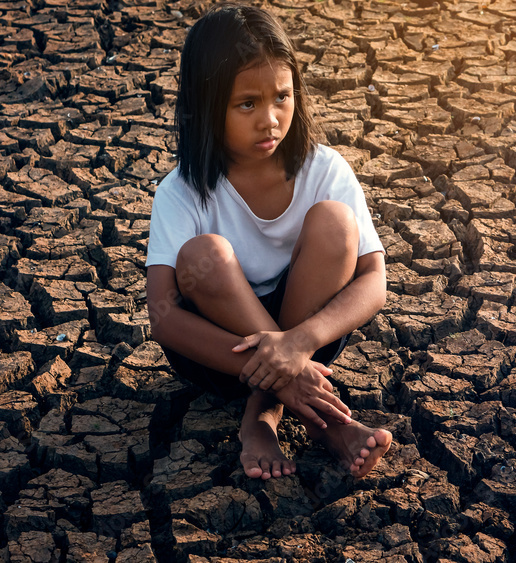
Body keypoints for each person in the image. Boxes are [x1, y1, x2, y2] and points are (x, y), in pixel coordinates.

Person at [145, 4, 391, 480]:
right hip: (217, 353)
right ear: (205, 105)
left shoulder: (323, 169)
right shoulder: (184, 189)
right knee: (204, 256)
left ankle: (261, 414)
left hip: (310, 338)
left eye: (282, 97)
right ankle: (324, 420)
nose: (270, 119)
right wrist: (289, 368)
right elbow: (164, 317)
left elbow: (374, 280)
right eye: (247, 104)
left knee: (337, 224)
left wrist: (299, 344)